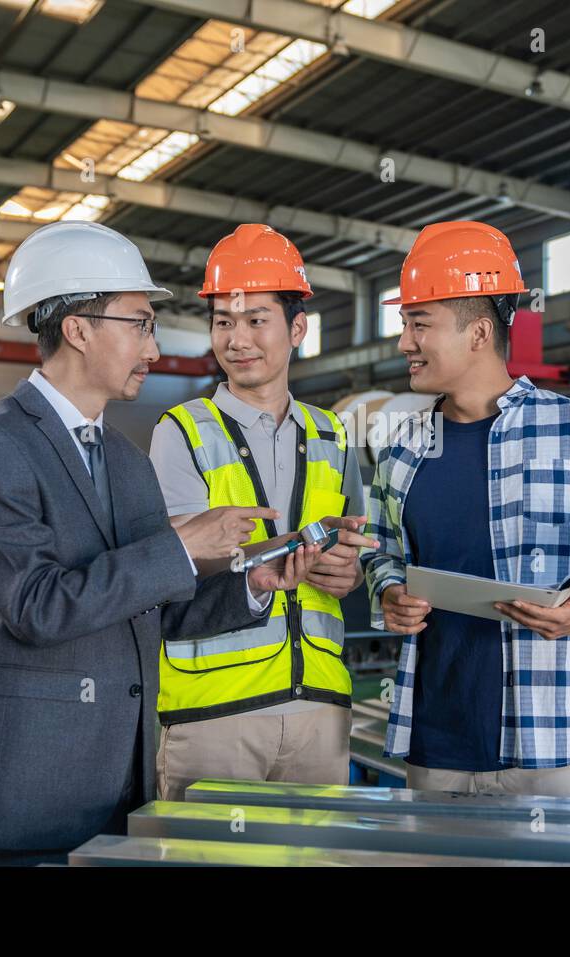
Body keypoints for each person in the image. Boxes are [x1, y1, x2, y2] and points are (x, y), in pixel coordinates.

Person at [0, 221, 321, 866]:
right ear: (79, 328)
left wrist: (250, 585)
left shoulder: (123, 456)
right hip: (33, 798)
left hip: (127, 795)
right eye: (140, 324)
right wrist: (181, 548)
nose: (154, 348)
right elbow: (38, 606)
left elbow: (156, 610)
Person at [360, 220, 570, 799]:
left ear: (478, 333)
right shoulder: (401, 447)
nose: (404, 343)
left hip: (556, 739)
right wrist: (390, 592)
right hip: (437, 740)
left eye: (419, 324)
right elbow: (384, 550)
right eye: (405, 324)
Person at [148, 223, 377, 800]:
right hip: (216, 712)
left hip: (319, 707)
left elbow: (354, 558)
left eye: (256, 321)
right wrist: (255, 570)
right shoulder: (182, 432)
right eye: (224, 321)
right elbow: (169, 568)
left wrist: (348, 574)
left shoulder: (333, 435)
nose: (238, 339)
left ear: (297, 328)